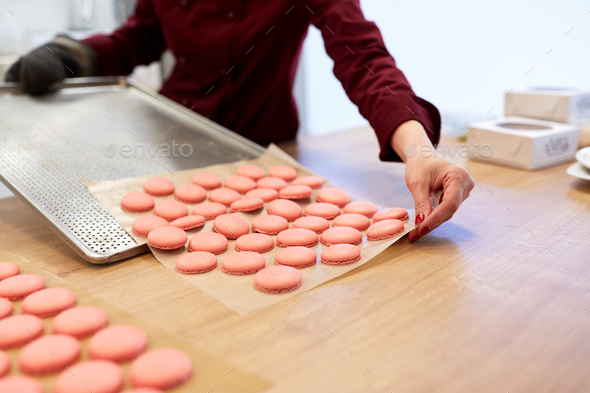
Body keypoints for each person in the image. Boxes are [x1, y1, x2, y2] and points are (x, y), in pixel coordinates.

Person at [5, 0, 474, 243]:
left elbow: (362, 56)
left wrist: (420, 151)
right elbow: (140, 38)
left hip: (264, 158)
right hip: (168, 147)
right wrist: (71, 54)